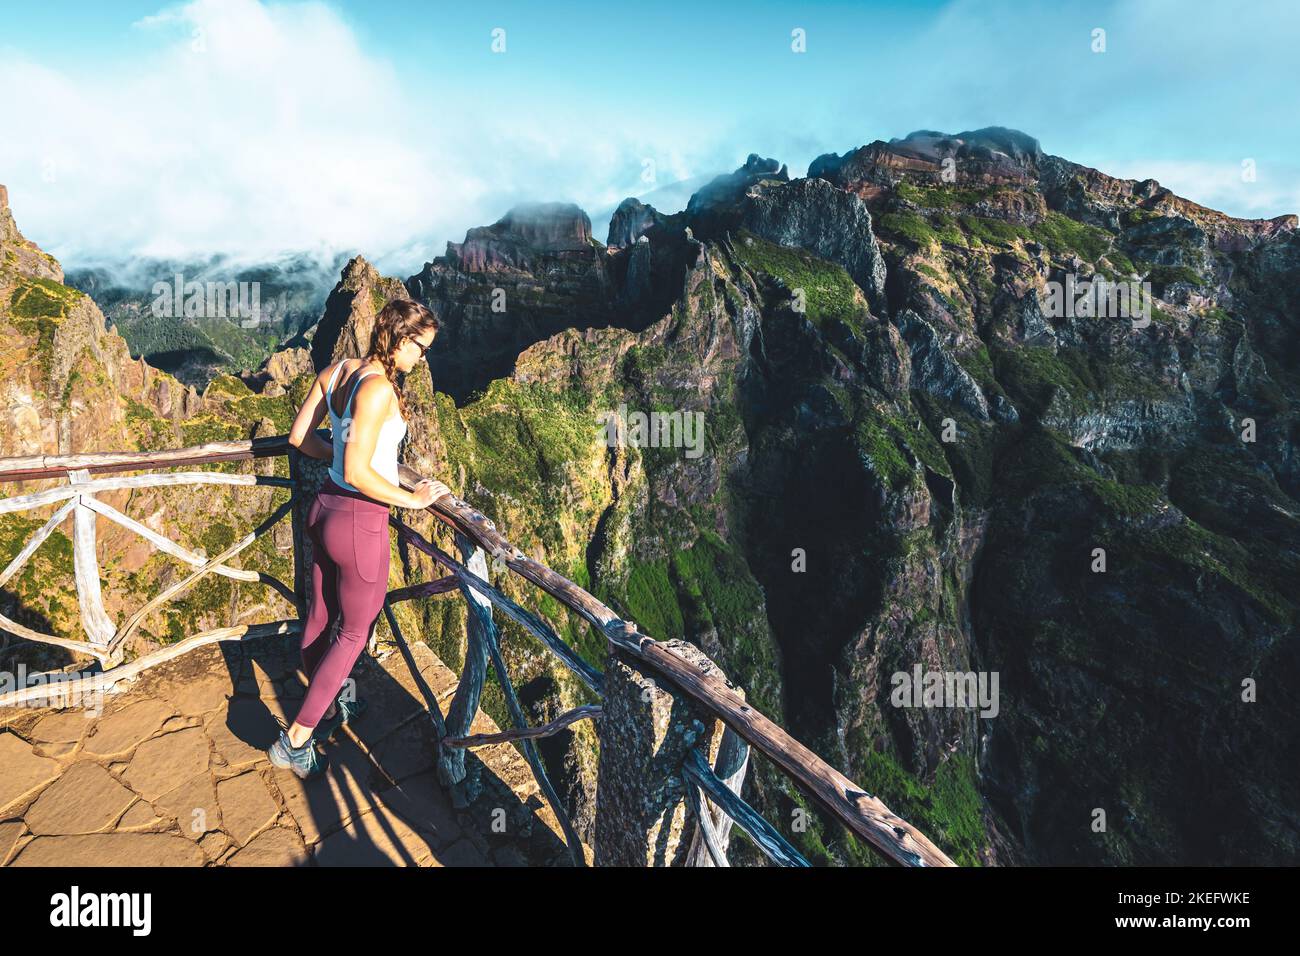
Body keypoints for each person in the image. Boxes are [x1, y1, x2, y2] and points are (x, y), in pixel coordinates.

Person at [268, 298, 451, 778]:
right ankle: (296, 739)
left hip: (324, 509)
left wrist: (334, 453)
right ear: (399, 337)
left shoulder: (338, 372)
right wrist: (410, 499)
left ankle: (326, 709)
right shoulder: (377, 391)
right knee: (354, 634)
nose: (421, 358)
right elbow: (358, 469)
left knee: (319, 617)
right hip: (359, 521)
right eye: (421, 347)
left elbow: (299, 438)